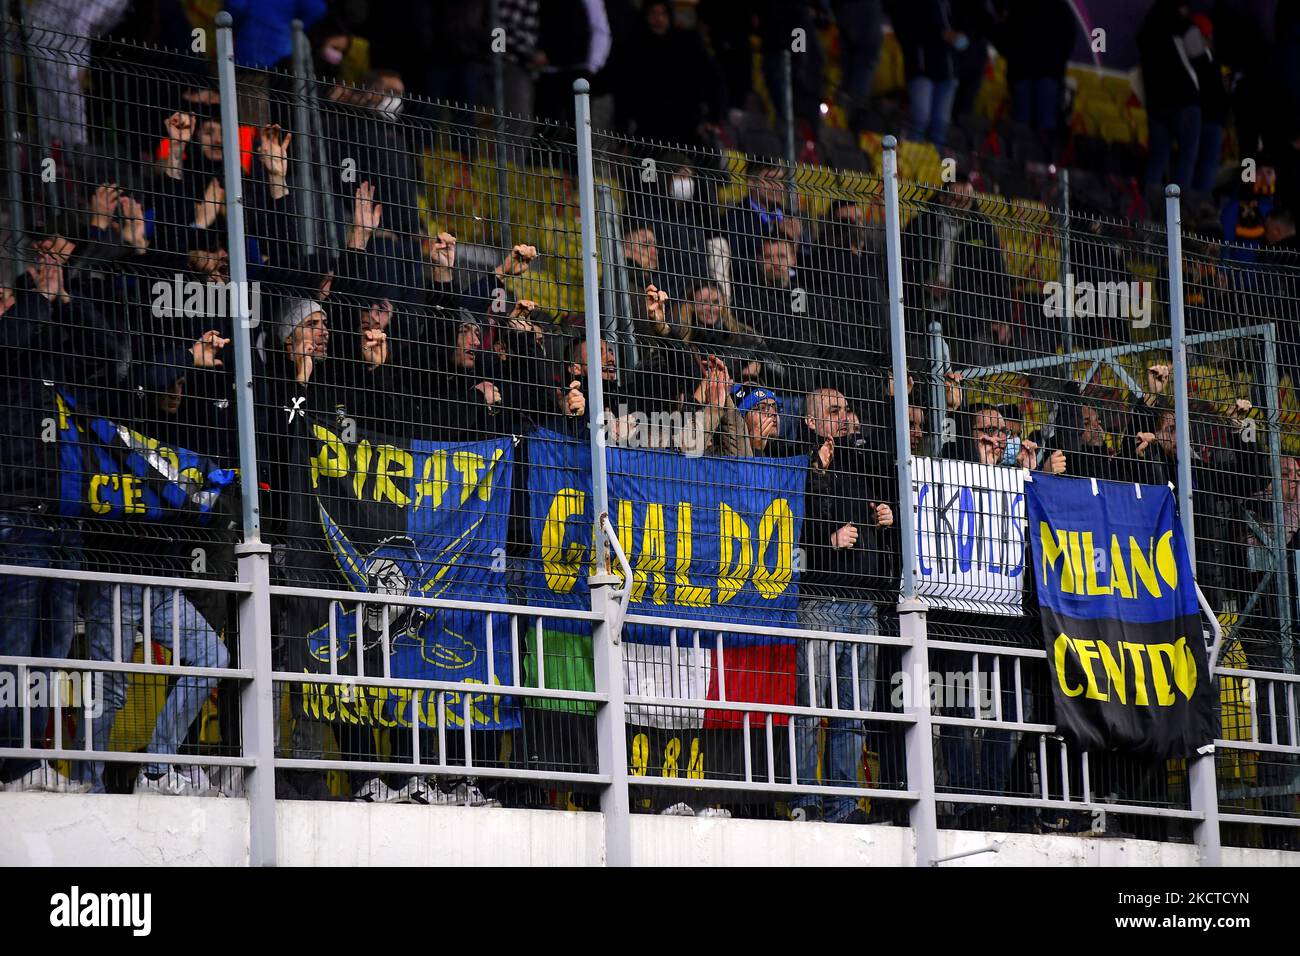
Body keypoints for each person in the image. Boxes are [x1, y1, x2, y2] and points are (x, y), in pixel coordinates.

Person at [791, 386, 896, 823]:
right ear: (813, 423)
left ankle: (843, 804)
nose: (845, 416)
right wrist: (825, 541)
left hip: (862, 605)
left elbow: (896, 463)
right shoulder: (798, 465)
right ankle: (805, 800)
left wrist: (886, 517)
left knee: (853, 714)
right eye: (834, 411)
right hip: (819, 601)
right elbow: (786, 526)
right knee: (810, 710)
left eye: (847, 409)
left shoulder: (860, 462)